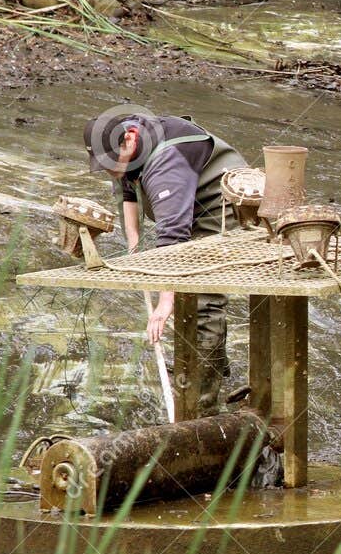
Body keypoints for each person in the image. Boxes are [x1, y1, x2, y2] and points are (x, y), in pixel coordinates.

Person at [83, 112, 248, 413]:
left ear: (130, 139)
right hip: (185, 202)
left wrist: (164, 303)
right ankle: (207, 369)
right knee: (181, 294)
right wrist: (135, 250)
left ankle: (202, 406)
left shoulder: (165, 160)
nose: (110, 169)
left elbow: (173, 235)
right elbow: (128, 194)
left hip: (218, 204)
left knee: (202, 301)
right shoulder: (126, 149)